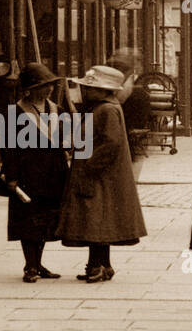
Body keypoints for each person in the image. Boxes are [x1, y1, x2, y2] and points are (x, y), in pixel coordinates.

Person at [56, 65, 148, 283]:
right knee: (98, 221)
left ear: (103, 90)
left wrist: (89, 165)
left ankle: (97, 266)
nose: (85, 91)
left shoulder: (106, 110)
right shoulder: (102, 108)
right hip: (100, 175)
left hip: (100, 177)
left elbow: (111, 143)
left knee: (95, 221)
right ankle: (101, 264)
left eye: (90, 87)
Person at [0, 63, 69, 282]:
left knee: (46, 221)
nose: (48, 89)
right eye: (43, 85)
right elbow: (8, 149)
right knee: (27, 221)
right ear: (29, 88)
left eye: (50, 85)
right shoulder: (14, 114)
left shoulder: (57, 109)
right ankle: (29, 265)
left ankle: (38, 264)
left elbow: (68, 141)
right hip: (27, 175)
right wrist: (11, 177)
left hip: (52, 174)